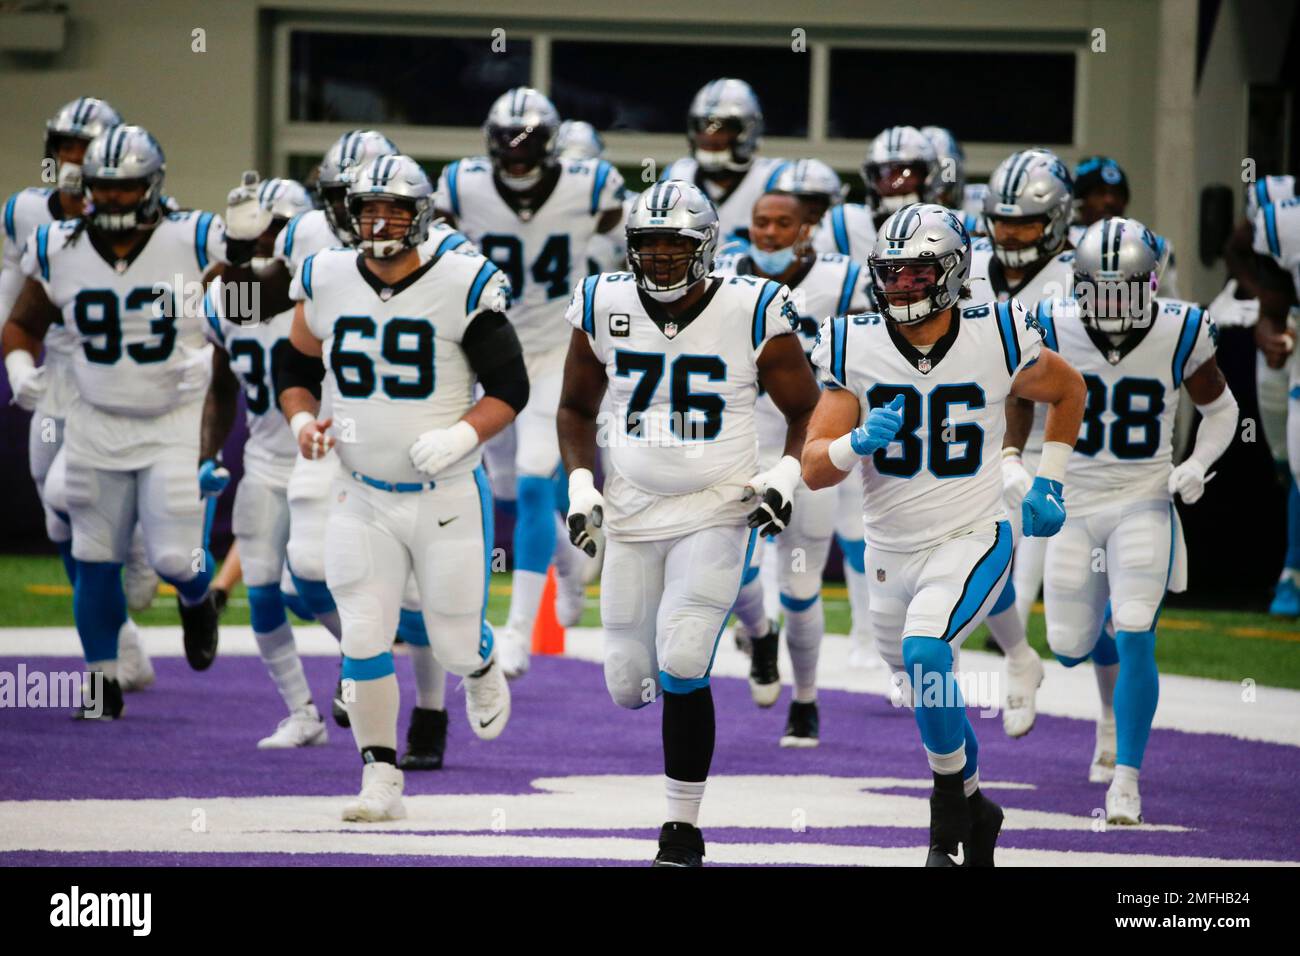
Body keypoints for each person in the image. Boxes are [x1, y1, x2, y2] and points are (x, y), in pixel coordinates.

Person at [801, 203, 1086, 865]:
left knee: (928, 657)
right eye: (891, 275)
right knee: (929, 694)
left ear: (954, 272)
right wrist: (852, 444)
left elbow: (1068, 391)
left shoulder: (1001, 329)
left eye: (916, 274)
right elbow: (814, 466)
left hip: (972, 531)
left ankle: (945, 828)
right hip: (887, 550)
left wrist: (1050, 479)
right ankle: (978, 806)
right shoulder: (853, 342)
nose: (901, 288)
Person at [557, 181, 820, 865]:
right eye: (650, 245)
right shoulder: (603, 302)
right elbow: (575, 409)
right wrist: (582, 482)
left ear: (705, 246)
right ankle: (754, 627)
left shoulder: (752, 306)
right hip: (634, 508)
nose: (663, 258)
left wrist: (785, 475)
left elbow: (805, 409)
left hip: (716, 505)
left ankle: (681, 828)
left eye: (677, 245)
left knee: (680, 659)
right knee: (626, 682)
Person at [276, 154, 526, 820]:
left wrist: (461, 436)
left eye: (392, 208)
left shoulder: (464, 278)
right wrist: (302, 417)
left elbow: (510, 388)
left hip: (445, 495)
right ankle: (380, 779)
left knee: (447, 640)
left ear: (422, 214)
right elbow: (293, 361)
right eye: (366, 209)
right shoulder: (325, 275)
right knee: (362, 633)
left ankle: (480, 663)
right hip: (360, 491)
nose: (378, 221)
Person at [2, 125, 225, 718]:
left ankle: (198, 597)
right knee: (94, 553)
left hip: (171, 420)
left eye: (127, 188)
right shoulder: (58, 244)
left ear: (152, 186)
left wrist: (211, 352)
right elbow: (23, 322)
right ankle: (102, 683)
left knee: (178, 560)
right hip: (95, 419)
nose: (115, 199)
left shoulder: (195, 237)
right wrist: (20, 363)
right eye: (104, 187)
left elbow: (244, 310)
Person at [1037, 217, 1237, 823]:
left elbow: (1222, 411)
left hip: (1143, 496)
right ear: (1076, 286)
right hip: (1074, 502)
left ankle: (1126, 778)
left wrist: (1198, 463)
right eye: (1097, 290)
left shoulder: (1181, 328)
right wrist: (1015, 464)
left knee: (1135, 626)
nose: (1110, 304)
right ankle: (1107, 687)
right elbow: (1020, 400)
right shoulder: (1051, 323)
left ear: (1151, 283)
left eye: (1123, 289)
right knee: (1069, 645)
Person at [435, 87, 626, 678]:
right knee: (506, 491)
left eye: (529, 147)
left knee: (536, 480)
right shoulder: (461, 186)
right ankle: (568, 571)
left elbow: (622, 233)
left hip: (552, 350)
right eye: (508, 148)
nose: (517, 160)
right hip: (488, 350)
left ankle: (515, 630)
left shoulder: (591, 184)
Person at [0, 97, 159, 688]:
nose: (73, 160)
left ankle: (140, 539)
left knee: (72, 491)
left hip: (116, 370)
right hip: (59, 373)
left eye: (84, 149)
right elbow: (11, 293)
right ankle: (121, 642)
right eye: (65, 148)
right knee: (57, 516)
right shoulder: (24, 212)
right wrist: (19, 367)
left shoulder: (143, 215)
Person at [713, 189, 871, 743]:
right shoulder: (723, 272)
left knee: (801, 584)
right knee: (731, 569)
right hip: (739, 441)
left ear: (808, 229)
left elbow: (870, 354)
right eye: (761, 222)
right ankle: (759, 635)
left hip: (810, 440)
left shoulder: (842, 279)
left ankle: (805, 699)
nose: (771, 233)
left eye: (784, 223)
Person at [202, 177, 333, 748]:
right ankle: (302, 712)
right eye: (251, 237)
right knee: (261, 592)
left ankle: (365, 668)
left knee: (310, 589)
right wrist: (205, 454)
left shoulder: (325, 294)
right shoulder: (226, 298)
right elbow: (220, 385)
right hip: (264, 461)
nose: (262, 246)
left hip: (327, 458)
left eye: (273, 233)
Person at [660, 78, 790, 250]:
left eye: (723, 128)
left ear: (747, 130)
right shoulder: (677, 176)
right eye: (702, 126)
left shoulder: (777, 178)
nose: (710, 137)